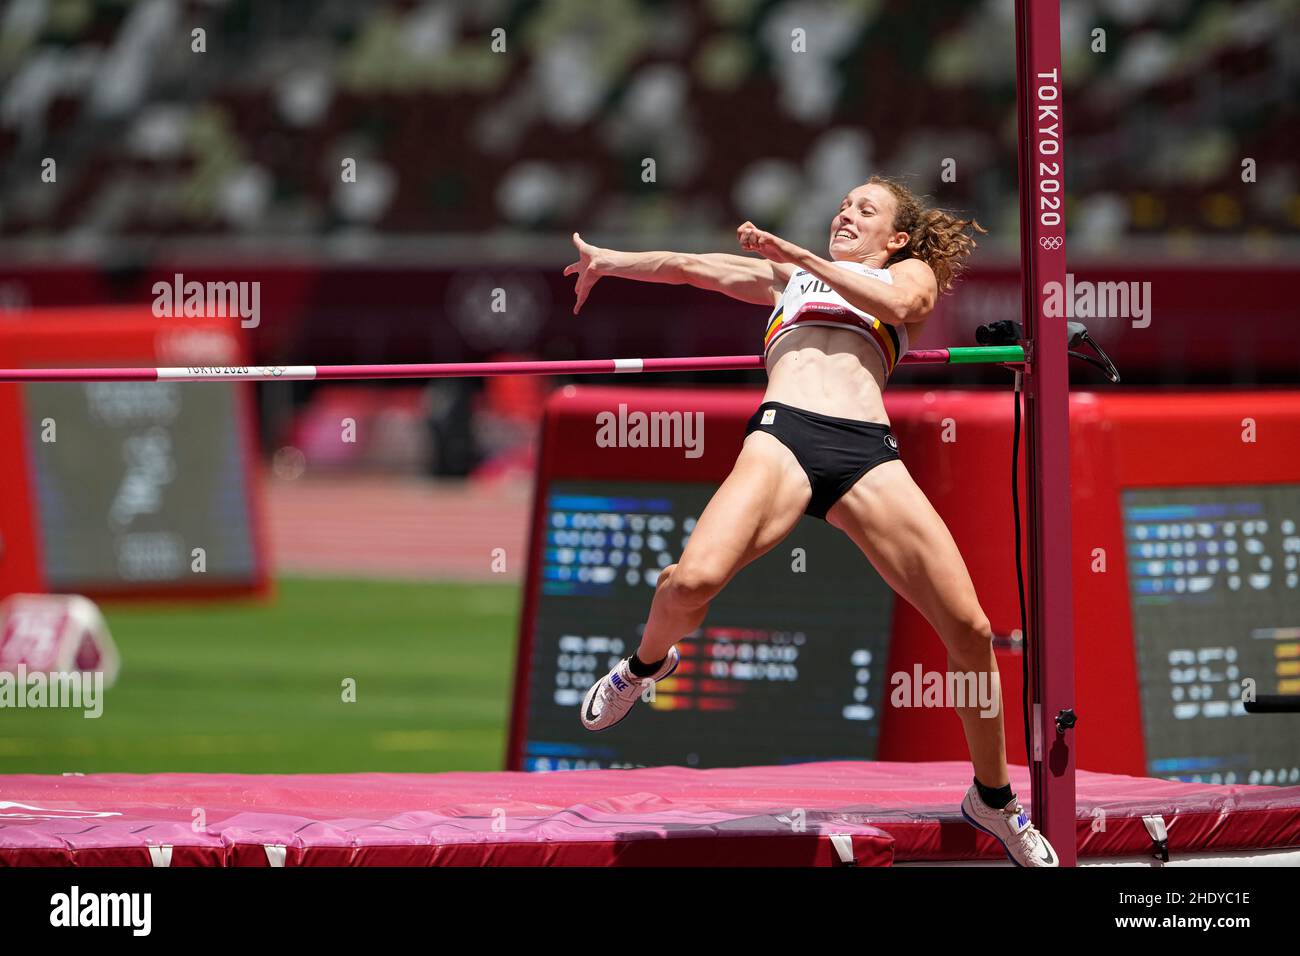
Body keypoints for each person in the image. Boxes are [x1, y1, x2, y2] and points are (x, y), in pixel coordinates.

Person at [564, 176, 1059, 866]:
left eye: (865, 208)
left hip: (866, 453)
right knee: (688, 583)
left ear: (896, 237)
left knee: (971, 629)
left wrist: (802, 257)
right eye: (843, 205)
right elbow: (692, 267)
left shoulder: (903, 272)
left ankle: (993, 798)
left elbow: (896, 300)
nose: (846, 213)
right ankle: (645, 665)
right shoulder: (788, 275)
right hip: (783, 436)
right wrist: (612, 261)